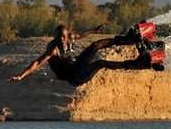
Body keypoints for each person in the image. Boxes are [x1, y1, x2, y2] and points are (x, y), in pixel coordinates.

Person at [9, 24, 159, 87]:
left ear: (67, 36)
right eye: (58, 38)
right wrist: (21, 75)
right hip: (73, 76)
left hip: (80, 72)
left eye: (63, 37)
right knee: (95, 49)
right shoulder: (53, 49)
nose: (61, 40)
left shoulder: (71, 37)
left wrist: (95, 28)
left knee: (100, 62)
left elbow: (83, 33)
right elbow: (37, 62)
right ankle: (130, 47)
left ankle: (136, 60)